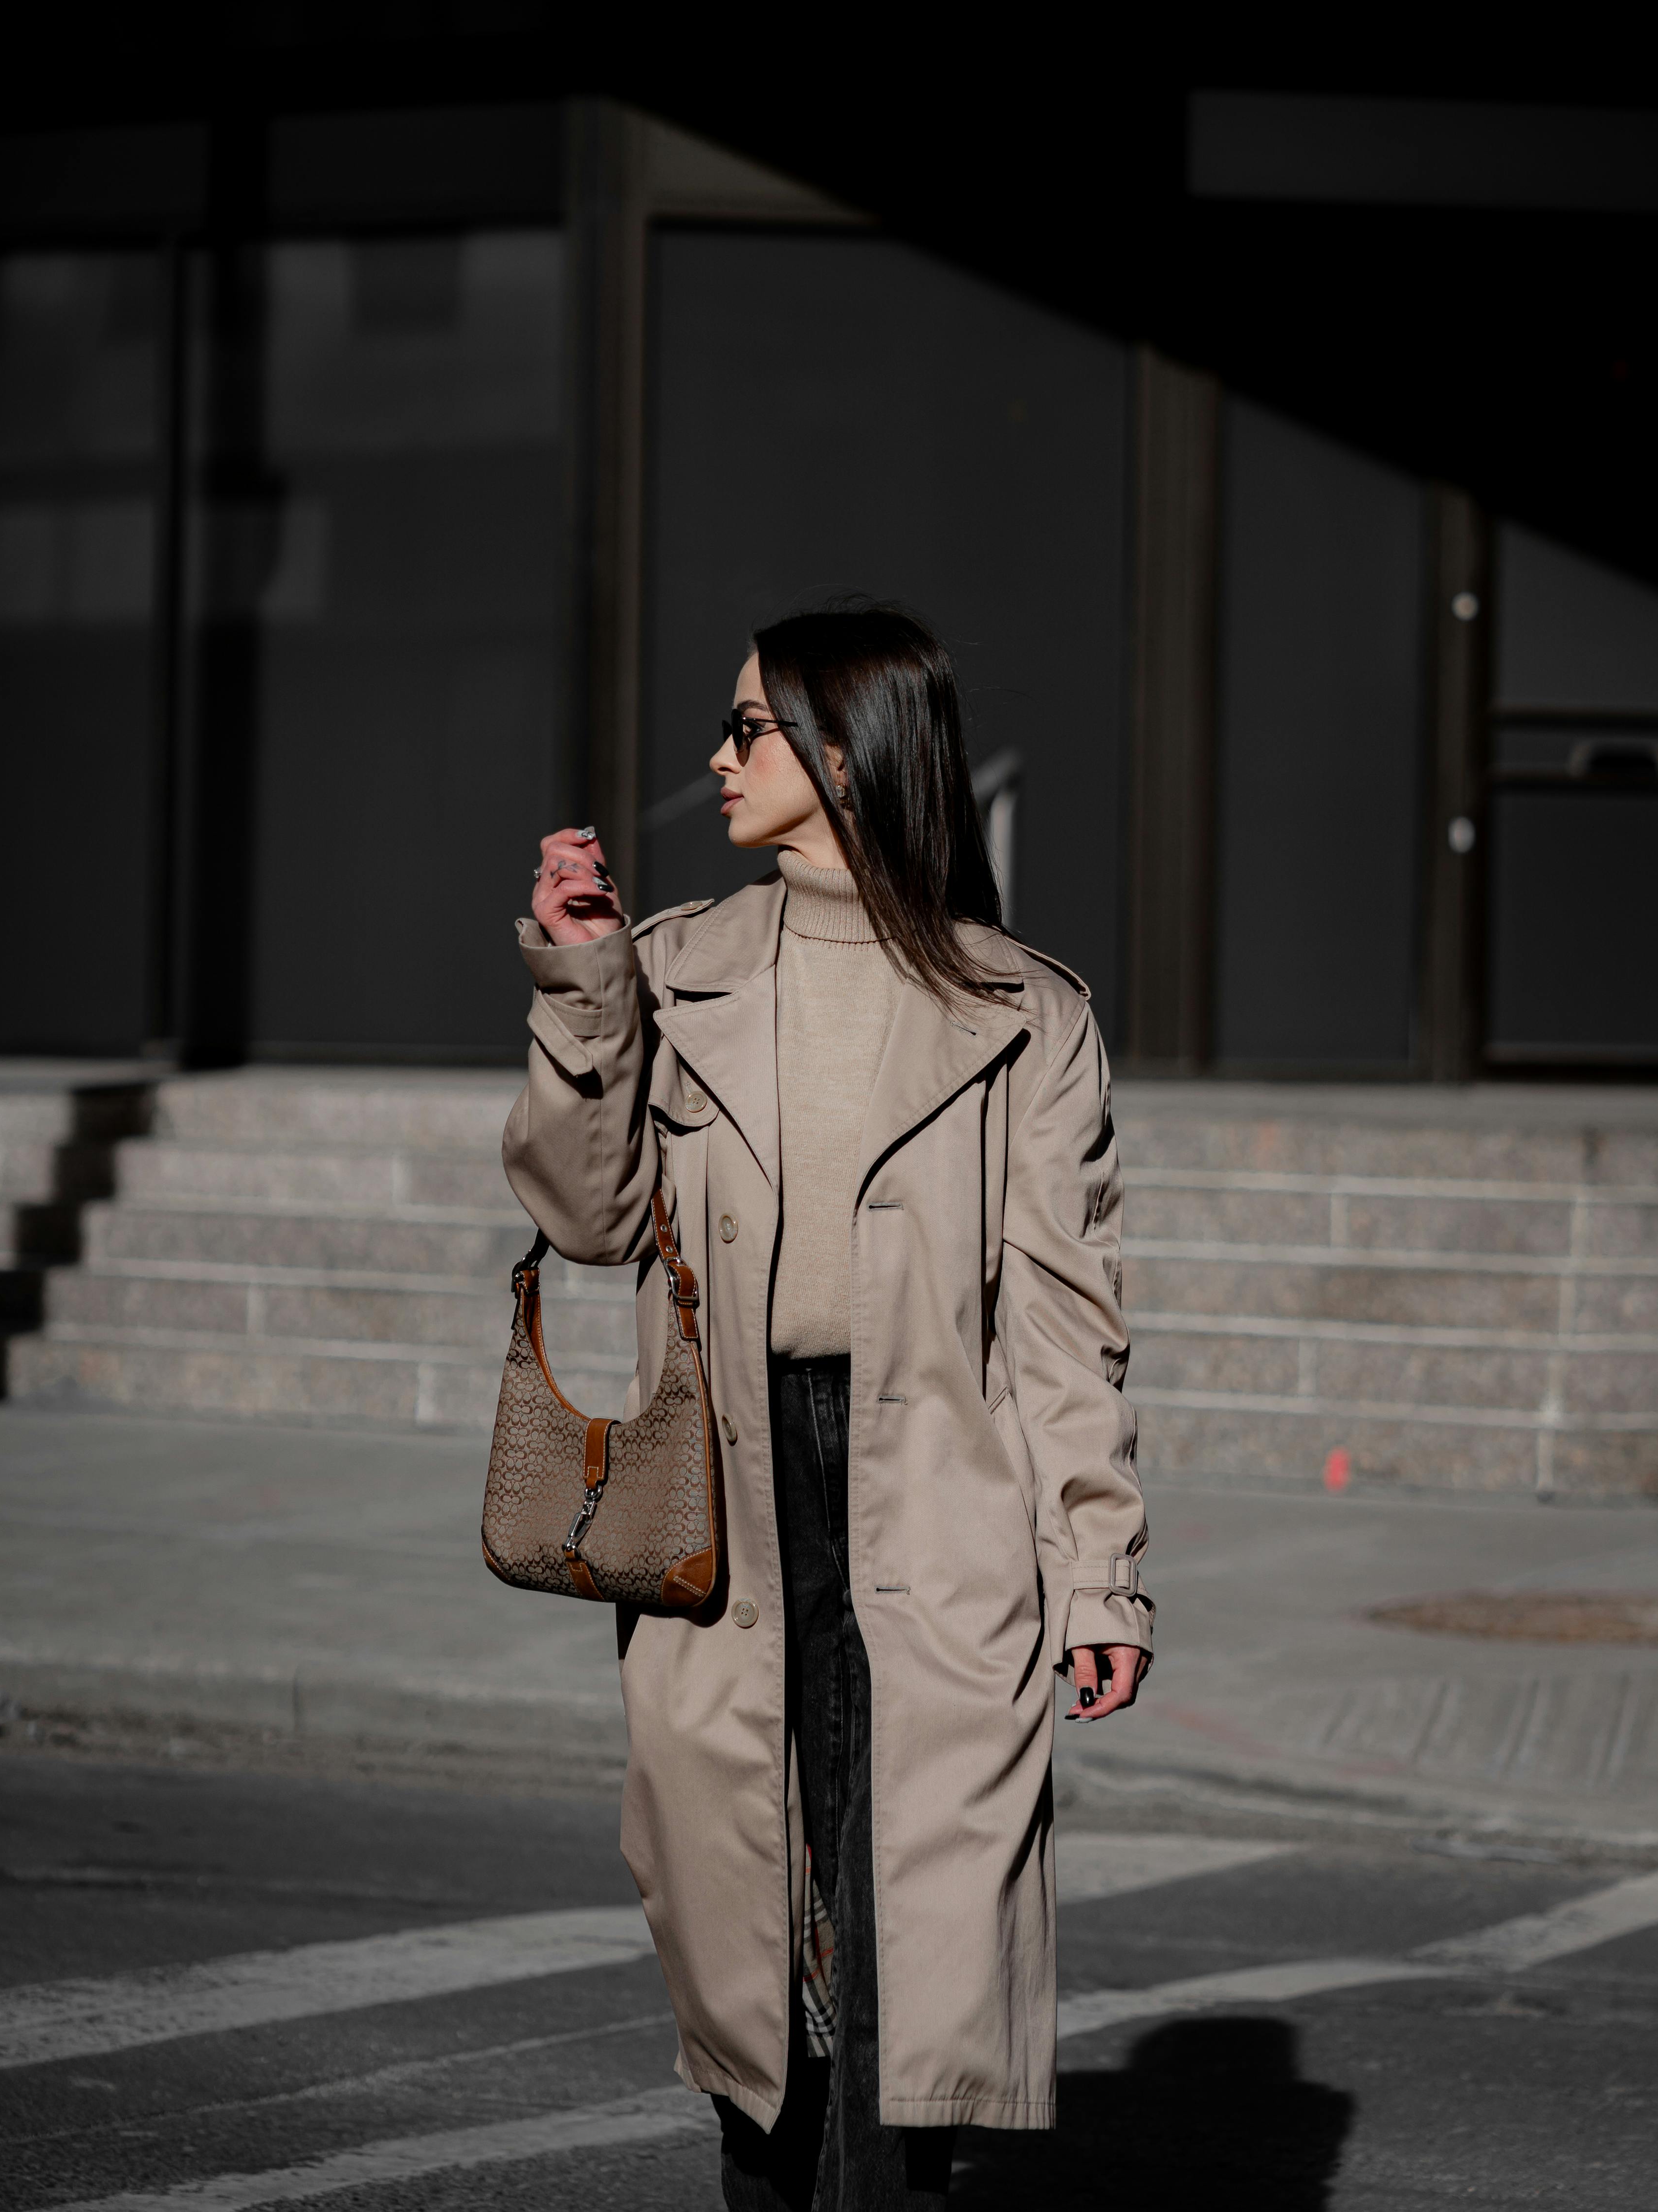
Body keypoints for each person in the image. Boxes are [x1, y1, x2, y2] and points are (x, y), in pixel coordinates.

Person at [503, 605, 1153, 2211]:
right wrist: (583, 987)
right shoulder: (672, 970)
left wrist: (1098, 1572)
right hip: (724, 1493)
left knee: (910, 1925)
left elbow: (1065, 1329)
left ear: (846, 755)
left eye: (748, 730)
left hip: (937, 1489)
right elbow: (587, 1220)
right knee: (747, 1921)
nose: (718, 760)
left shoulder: (1024, 1012)